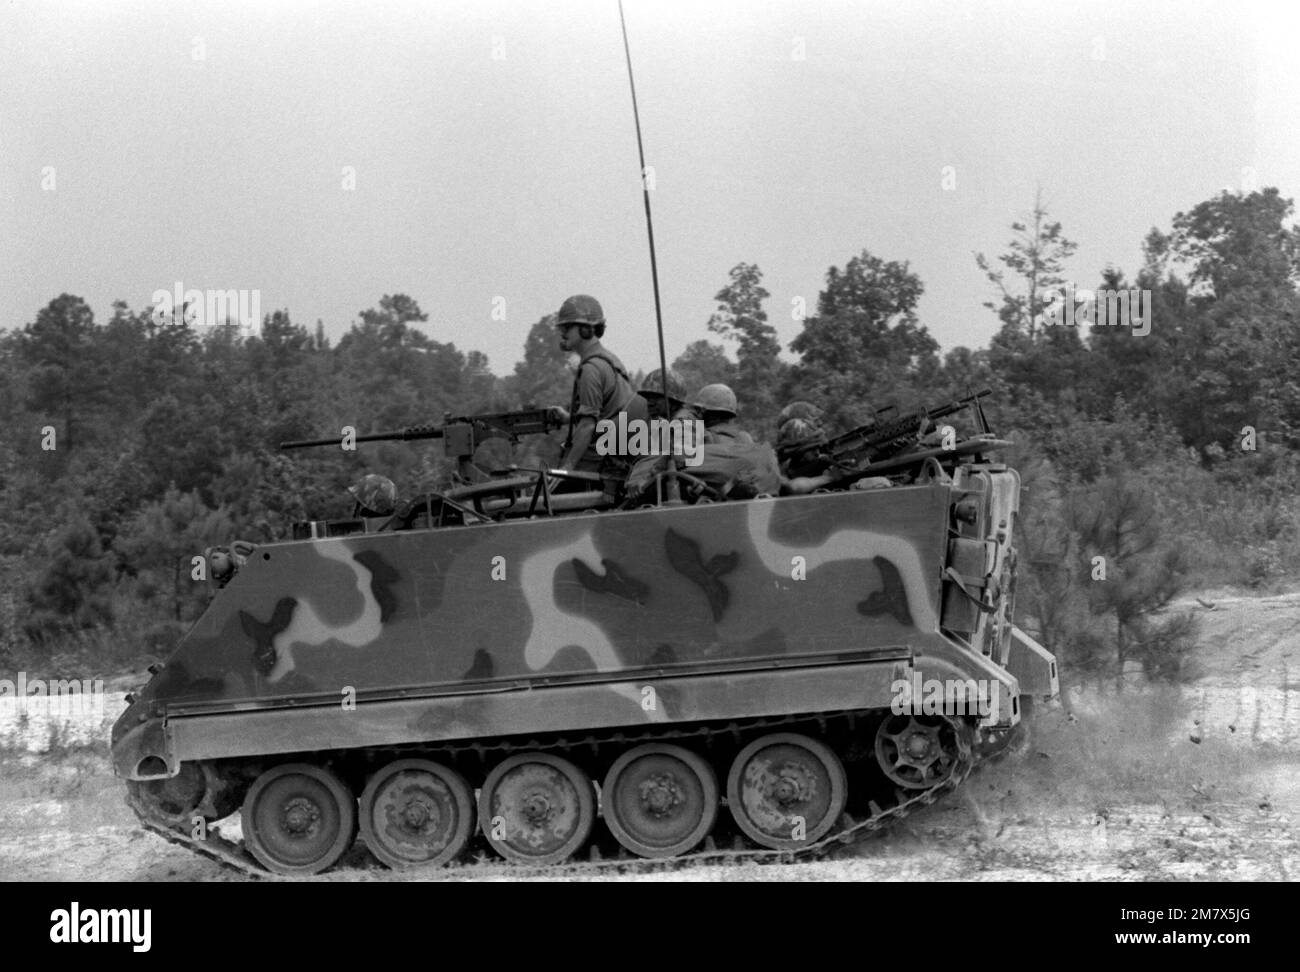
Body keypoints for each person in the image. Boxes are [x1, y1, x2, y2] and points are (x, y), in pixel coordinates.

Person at [546, 295, 649, 489]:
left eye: (567, 328)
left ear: (587, 329)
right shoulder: (610, 360)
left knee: (545, 499)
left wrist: (567, 470)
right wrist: (570, 418)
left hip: (599, 463)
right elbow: (608, 413)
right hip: (616, 456)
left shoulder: (591, 369)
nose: (562, 333)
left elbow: (587, 427)